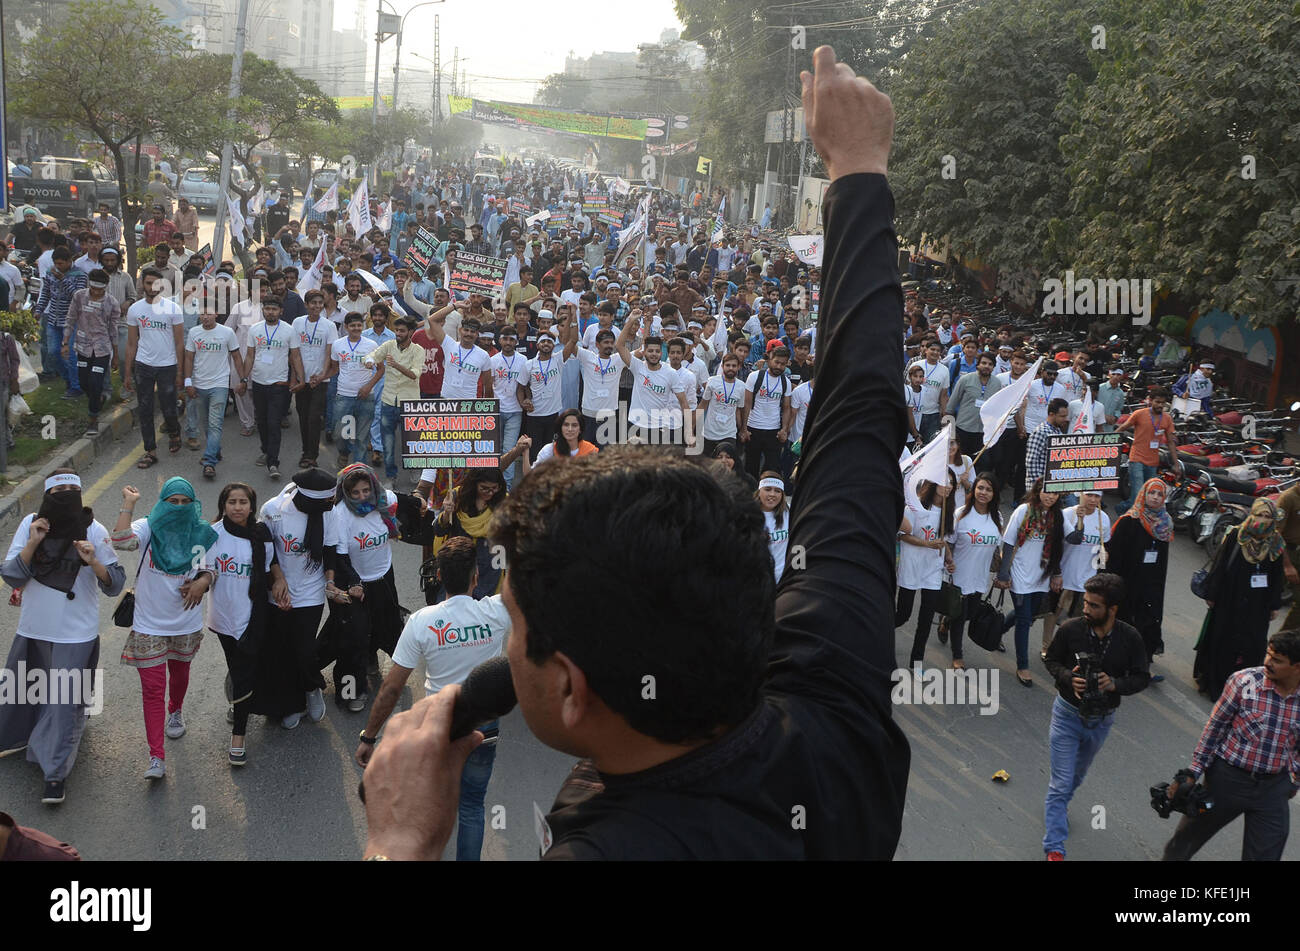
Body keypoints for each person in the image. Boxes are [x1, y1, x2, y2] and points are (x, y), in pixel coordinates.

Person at [358, 47, 910, 860]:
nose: (499, 651)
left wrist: (399, 842)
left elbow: (858, 418)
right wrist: (858, 170)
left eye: (513, 627)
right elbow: (859, 415)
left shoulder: (610, 848)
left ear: (572, 687)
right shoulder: (831, 697)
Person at [356, 536, 512, 861]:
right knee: (471, 806)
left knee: (428, 807)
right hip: (484, 730)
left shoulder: (423, 621)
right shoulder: (498, 612)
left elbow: (392, 688)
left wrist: (369, 736)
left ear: (439, 576)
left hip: (436, 731)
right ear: (475, 577)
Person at [0, 470, 124, 804]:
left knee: (62, 703)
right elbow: (12, 576)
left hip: (75, 632)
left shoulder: (93, 530)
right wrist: (33, 543)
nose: (66, 494)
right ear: (46, 494)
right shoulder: (31, 524)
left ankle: (54, 774)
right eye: (59, 489)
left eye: (73, 488)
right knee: (19, 691)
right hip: (34, 627)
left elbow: (114, 584)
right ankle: (18, 738)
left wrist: (93, 561)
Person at [1160, 630, 1300, 861]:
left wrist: (1293, 780)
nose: (1267, 662)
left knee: (1266, 855)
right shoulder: (1243, 682)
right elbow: (1215, 728)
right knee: (1184, 843)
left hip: (1273, 789)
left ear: (1296, 667)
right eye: (1268, 654)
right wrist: (1193, 771)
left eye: (1277, 660)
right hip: (1227, 781)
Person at [112, 479, 218, 781]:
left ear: (193, 504)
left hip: (185, 623)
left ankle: (176, 710)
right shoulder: (148, 527)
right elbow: (120, 540)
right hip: (148, 625)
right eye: (173, 501)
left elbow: (206, 569)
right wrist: (129, 504)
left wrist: (202, 581)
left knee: (180, 674)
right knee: (153, 690)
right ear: (163, 502)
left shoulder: (199, 533)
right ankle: (156, 756)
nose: (180, 507)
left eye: (186, 502)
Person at [1041, 572, 1150, 860]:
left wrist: (1114, 684)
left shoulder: (1130, 638)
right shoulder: (1070, 630)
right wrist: (1067, 677)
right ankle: (1054, 848)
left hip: (1101, 720)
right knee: (1061, 782)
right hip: (1066, 715)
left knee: (1076, 777)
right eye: (1085, 603)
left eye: (1093, 606)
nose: (1085, 609)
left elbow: (1142, 677)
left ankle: (1062, 805)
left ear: (1112, 609)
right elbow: (1050, 659)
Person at [204, 483, 291, 766]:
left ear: (252, 506)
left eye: (243, 502)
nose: (238, 507)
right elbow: (203, 570)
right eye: (232, 502)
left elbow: (268, 567)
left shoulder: (261, 533)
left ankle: (238, 736)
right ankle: (240, 702)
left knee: (244, 671)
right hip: (223, 617)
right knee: (238, 669)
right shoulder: (211, 534)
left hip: (254, 615)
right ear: (223, 505)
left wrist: (279, 582)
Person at [319, 465, 405, 714]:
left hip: (383, 576)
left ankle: (375, 660)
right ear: (345, 492)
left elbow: (409, 505)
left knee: (388, 625)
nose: (361, 497)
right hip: (353, 582)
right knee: (351, 638)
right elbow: (341, 558)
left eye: (366, 490)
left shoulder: (385, 500)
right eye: (354, 492)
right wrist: (356, 584)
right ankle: (350, 692)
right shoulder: (340, 515)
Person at [258, 468, 337, 730]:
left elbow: (330, 550)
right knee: (282, 650)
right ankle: (291, 703)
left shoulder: (329, 513)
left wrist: (330, 582)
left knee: (304, 649)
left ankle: (312, 688)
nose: (331, 505)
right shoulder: (273, 509)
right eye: (326, 502)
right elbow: (266, 552)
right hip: (278, 590)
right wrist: (278, 582)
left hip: (311, 591)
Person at [1193, 498, 1285, 699]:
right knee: (1223, 641)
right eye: (1258, 514)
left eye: (1267, 516)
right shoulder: (1237, 534)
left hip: (1257, 604)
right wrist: (1212, 594)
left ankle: (1243, 691)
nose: (1262, 520)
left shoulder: (1276, 542)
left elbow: (1278, 576)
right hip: (1229, 599)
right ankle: (1215, 685)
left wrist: (1274, 605)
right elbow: (1220, 564)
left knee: (1252, 646)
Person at [995, 478, 1064, 687]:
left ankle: (997, 631)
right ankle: (1022, 666)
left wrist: (1080, 520)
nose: (1050, 496)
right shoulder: (1023, 510)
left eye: (1055, 493)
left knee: (1027, 615)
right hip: (1020, 574)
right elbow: (1008, 542)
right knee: (1024, 620)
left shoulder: (1058, 516)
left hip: (1041, 577)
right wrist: (1004, 573)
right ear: (1037, 490)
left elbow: (1070, 541)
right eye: (1046, 491)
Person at [1104, 477, 1172, 678]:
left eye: (1160, 494)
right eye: (1152, 493)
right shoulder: (1129, 521)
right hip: (1127, 584)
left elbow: (1162, 562)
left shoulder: (1165, 525)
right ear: (1144, 494)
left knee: (1147, 623)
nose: (1155, 497)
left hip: (1150, 586)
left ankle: (1141, 668)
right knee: (1123, 624)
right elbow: (1114, 556)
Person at [124, 268, 186, 466]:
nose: (151, 288)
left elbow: (179, 342)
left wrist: (180, 372)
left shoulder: (173, 309)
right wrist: (127, 372)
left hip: (167, 366)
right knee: (145, 409)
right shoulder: (135, 309)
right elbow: (132, 343)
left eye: (155, 284)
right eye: (148, 283)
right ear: (142, 283)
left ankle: (174, 432)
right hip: (143, 365)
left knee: (168, 407)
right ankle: (150, 450)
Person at [1042, 490, 1111, 658]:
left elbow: (1104, 545)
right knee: (1052, 613)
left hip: (1087, 579)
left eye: (1097, 496)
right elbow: (1055, 546)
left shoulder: (1104, 518)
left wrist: (1104, 554)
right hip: (1064, 576)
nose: (1093, 500)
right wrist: (1056, 573)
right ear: (1080, 494)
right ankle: (1047, 647)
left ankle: (1067, 649)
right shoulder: (1067, 514)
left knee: (1079, 619)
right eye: (1089, 495)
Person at [946, 473, 1003, 668]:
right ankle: (957, 655)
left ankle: (946, 621)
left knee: (970, 614)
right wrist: (948, 562)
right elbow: (948, 543)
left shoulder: (998, 518)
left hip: (980, 577)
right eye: (980, 488)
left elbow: (998, 549)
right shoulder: (960, 514)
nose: (983, 493)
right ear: (974, 489)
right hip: (959, 576)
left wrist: (1003, 573)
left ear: (994, 494)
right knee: (961, 618)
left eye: (988, 489)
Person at [897, 474, 954, 669]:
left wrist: (949, 558)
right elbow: (902, 535)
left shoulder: (948, 512)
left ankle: (917, 661)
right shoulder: (914, 507)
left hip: (933, 571)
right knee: (903, 614)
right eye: (945, 481)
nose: (949, 486)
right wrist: (927, 544)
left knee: (926, 618)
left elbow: (943, 540)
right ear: (934, 483)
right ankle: (877, 634)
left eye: (952, 483)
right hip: (912, 565)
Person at [243, 298, 302, 481]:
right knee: (261, 421)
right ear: (263, 310)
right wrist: (244, 379)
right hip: (259, 383)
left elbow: (295, 357)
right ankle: (266, 450)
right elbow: (250, 356)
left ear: (281, 311)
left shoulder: (289, 330)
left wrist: (300, 378)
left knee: (274, 423)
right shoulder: (255, 329)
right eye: (267, 308)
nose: (270, 312)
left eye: (274, 309)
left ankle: (273, 462)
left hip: (279, 384)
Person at [365, 316, 425, 488]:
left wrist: (396, 365)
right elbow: (373, 355)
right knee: (388, 444)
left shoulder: (418, 350)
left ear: (411, 332)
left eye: (402, 331)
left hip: (410, 404)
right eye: (397, 330)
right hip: (388, 402)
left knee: (412, 441)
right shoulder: (389, 345)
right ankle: (391, 476)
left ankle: (415, 469)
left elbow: (415, 374)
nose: (398, 333)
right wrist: (369, 361)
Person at [61, 268, 121, 435]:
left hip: (102, 349)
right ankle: (98, 398)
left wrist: (115, 354)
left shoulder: (112, 303)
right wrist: (65, 342)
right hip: (82, 346)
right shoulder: (79, 297)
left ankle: (93, 419)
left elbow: (113, 330)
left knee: (95, 383)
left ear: (105, 287)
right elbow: (71, 319)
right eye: (93, 289)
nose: (96, 292)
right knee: (84, 382)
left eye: (99, 290)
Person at [1115, 385, 1182, 513]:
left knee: (1147, 496)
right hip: (1137, 460)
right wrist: (1108, 442)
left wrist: (1176, 464)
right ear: (1150, 401)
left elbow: (1170, 443)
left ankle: (1122, 509)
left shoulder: (1167, 419)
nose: (1160, 405)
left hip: (1152, 463)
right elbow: (1122, 428)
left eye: (1162, 403)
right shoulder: (1139, 414)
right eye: (1157, 402)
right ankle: (1130, 520)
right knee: (1137, 495)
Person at [329, 312, 383, 468]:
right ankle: (344, 453)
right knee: (341, 434)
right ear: (346, 327)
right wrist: (320, 377)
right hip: (344, 396)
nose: (356, 328)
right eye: (352, 325)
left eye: (359, 325)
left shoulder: (371, 345)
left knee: (362, 436)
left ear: (363, 326)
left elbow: (380, 370)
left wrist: (368, 386)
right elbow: (334, 368)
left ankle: (358, 467)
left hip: (365, 397)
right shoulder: (338, 344)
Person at [741, 344, 791, 477]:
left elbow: (786, 408)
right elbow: (746, 403)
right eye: (777, 362)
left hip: (773, 431)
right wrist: (743, 429)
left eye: (783, 364)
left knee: (772, 468)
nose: (779, 367)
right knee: (751, 467)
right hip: (753, 428)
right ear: (770, 359)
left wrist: (784, 430)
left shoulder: (786, 382)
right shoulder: (754, 376)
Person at [947, 351, 1002, 460]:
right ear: (978, 365)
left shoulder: (997, 383)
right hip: (963, 429)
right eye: (984, 363)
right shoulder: (965, 379)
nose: (987, 366)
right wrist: (950, 432)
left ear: (993, 367)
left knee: (980, 463)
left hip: (984, 432)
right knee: (960, 461)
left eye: (990, 364)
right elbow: (950, 407)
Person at [519, 410, 597, 472]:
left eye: (574, 425)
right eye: (566, 425)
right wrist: (526, 452)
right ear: (560, 428)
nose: (570, 429)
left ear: (580, 429)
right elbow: (530, 476)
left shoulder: (591, 450)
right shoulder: (549, 450)